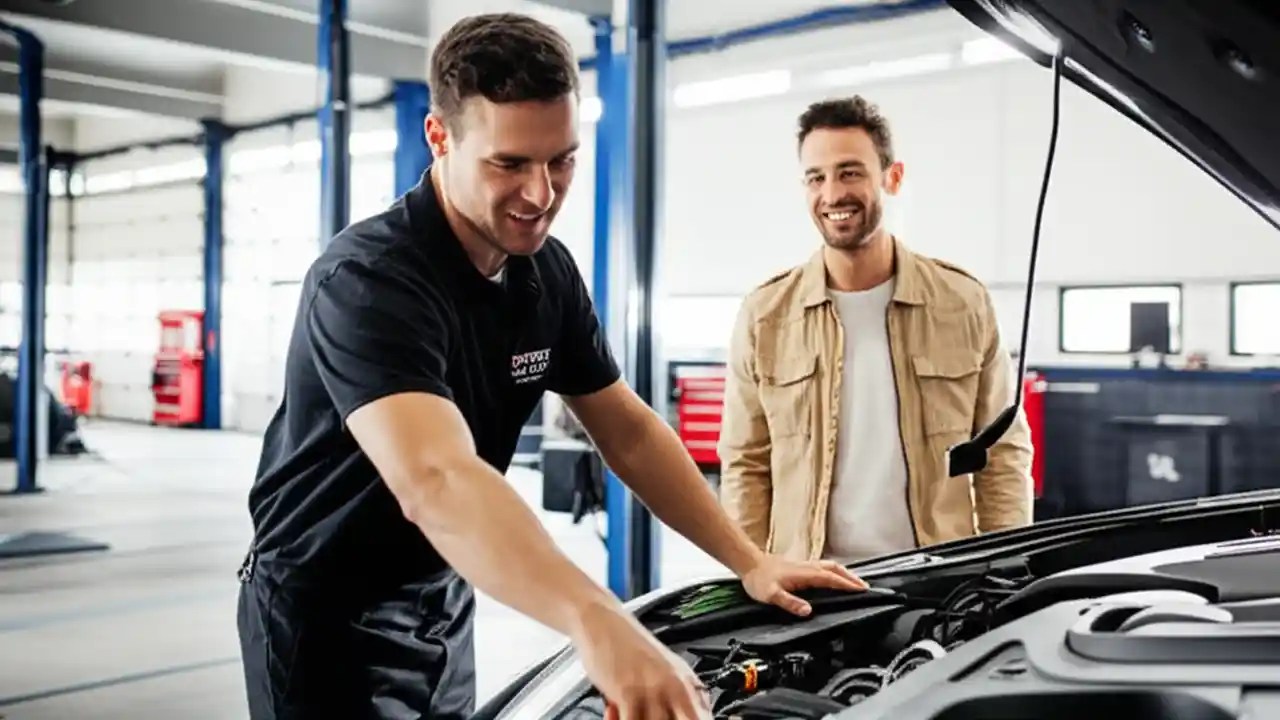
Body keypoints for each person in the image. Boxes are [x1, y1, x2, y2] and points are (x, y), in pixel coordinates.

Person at [235, 13, 867, 720]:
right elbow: (437, 479)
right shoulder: (369, 279)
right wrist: (595, 616)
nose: (541, 194)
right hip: (327, 613)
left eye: (561, 159)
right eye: (509, 164)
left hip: (443, 591)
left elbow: (624, 427)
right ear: (440, 138)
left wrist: (747, 558)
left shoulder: (545, 271)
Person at [717, 95, 1034, 566]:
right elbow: (746, 464)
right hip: (811, 586)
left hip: (936, 580)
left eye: (850, 172)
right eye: (815, 178)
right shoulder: (766, 315)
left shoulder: (962, 303)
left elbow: (1002, 455)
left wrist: (1006, 569)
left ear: (893, 177)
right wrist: (746, 573)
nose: (832, 194)